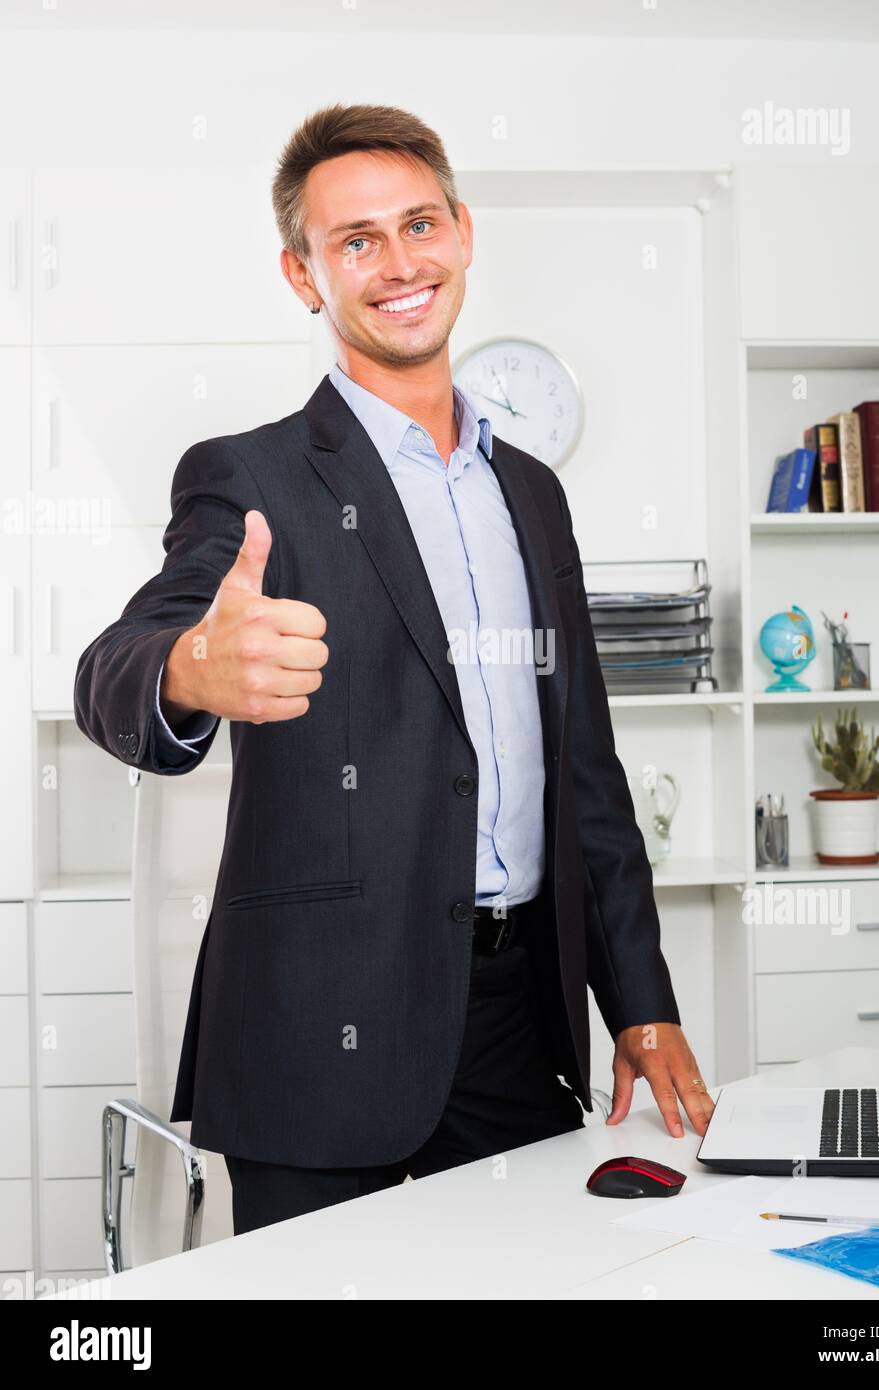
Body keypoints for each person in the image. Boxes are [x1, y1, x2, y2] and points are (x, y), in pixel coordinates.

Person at [74, 102, 713, 1237]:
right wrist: (185, 668)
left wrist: (642, 1004)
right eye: (354, 240)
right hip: (320, 1024)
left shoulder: (533, 492)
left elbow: (586, 772)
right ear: (303, 274)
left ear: (463, 234)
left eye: (418, 225)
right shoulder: (248, 476)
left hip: (521, 1016)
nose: (397, 263)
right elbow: (111, 667)